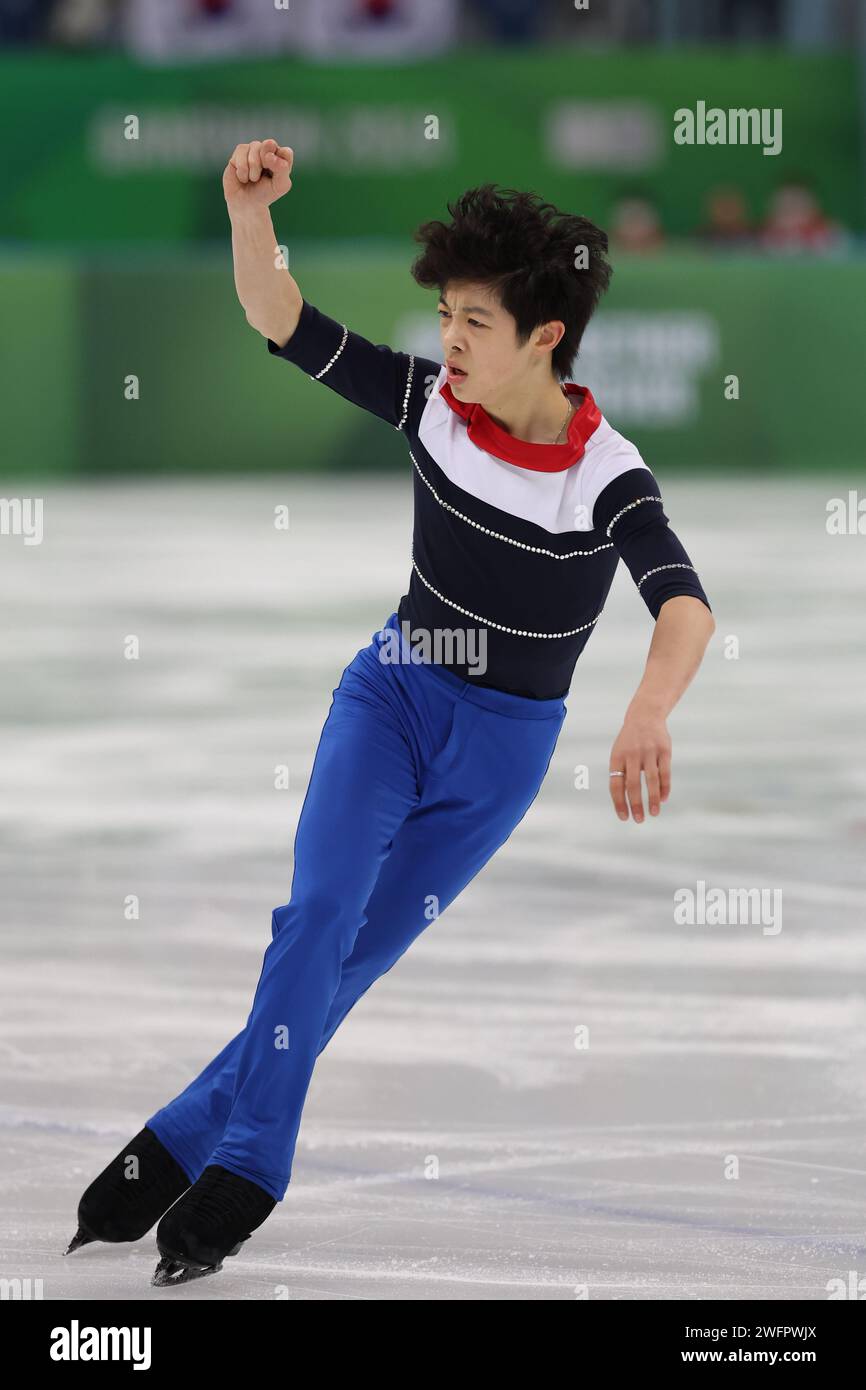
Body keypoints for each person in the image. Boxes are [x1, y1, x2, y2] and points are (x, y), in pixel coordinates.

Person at [67, 142, 715, 1286]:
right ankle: (249, 1165)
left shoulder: (603, 473)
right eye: (443, 313)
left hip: (500, 759)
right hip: (393, 692)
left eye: (473, 320)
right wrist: (245, 215)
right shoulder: (427, 401)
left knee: (352, 959)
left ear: (543, 338)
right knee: (313, 921)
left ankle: (178, 1133)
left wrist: (647, 713)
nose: (448, 338)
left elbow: (683, 608)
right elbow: (279, 316)